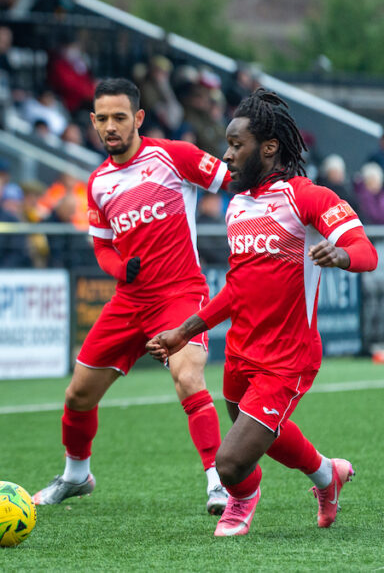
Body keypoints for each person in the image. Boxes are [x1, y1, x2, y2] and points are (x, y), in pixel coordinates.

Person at [146, 88, 377, 537]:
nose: (227, 155)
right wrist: (183, 331)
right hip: (241, 351)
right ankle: (328, 477)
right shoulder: (239, 206)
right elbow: (237, 289)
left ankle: (241, 499)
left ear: (268, 148)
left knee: (231, 463)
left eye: (236, 145)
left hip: (288, 357)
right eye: (228, 144)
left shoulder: (306, 198)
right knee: (265, 432)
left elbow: (365, 250)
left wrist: (341, 256)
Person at [32, 78, 231, 514]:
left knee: (188, 378)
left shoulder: (174, 156)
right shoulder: (99, 182)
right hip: (128, 302)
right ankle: (75, 475)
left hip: (180, 294)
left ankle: (219, 482)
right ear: (92, 122)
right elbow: (102, 245)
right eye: (102, 119)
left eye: (119, 117)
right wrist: (121, 268)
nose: (110, 127)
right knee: (77, 396)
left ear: (138, 118)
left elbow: (232, 178)